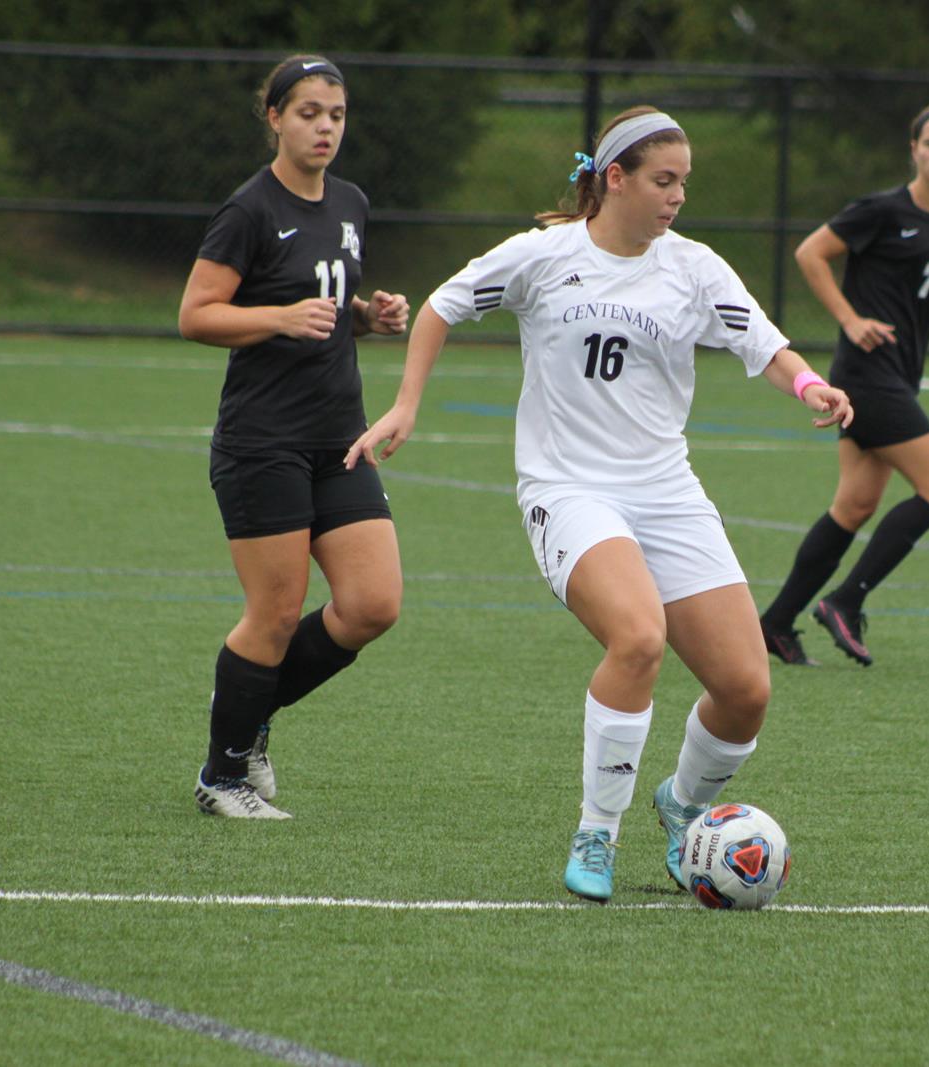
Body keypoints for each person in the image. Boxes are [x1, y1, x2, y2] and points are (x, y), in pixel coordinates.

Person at [346, 106, 851, 902]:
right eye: (663, 179)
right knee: (639, 637)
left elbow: (763, 343)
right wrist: (408, 403)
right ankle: (598, 830)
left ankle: (683, 805)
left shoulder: (693, 267)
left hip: (667, 492)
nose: (677, 196)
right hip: (569, 490)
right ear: (614, 178)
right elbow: (443, 304)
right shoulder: (544, 256)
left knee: (747, 689)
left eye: (684, 181)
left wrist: (810, 384)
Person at [176, 55, 410, 819]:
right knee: (275, 613)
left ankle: (248, 715)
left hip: (338, 436)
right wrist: (275, 318)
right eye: (308, 112)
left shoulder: (350, 201)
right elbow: (197, 313)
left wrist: (369, 318)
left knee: (373, 603)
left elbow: (326, 307)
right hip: (262, 441)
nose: (325, 127)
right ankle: (223, 776)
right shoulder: (248, 208)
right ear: (274, 117)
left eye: (336, 115)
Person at [758, 102, 929, 669]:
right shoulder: (881, 210)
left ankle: (774, 623)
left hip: (898, 377)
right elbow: (810, 253)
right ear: (914, 150)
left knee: (855, 504)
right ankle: (846, 601)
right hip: (865, 378)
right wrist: (849, 320)